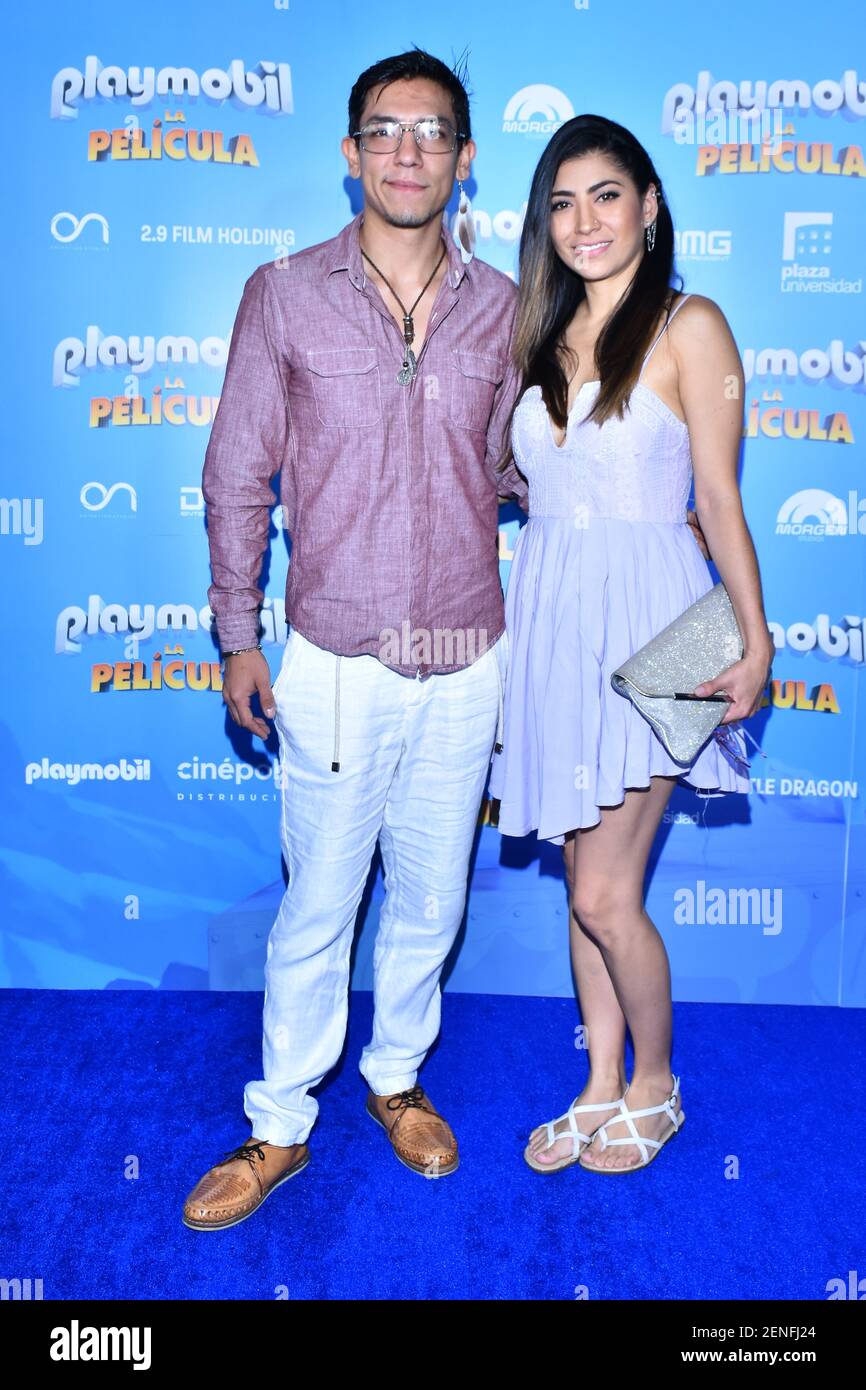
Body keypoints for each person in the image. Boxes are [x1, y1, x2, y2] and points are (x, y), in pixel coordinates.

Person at [183, 47, 540, 1229]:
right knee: (318, 904)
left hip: (465, 652)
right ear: (348, 153)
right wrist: (238, 631)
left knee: (433, 897)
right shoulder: (281, 293)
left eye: (430, 131)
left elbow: (504, 468)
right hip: (332, 655)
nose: (406, 151)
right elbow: (236, 472)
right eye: (383, 130)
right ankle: (278, 1120)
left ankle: (395, 1079)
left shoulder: (503, 309)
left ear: (463, 157)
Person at [487, 114, 774, 1173]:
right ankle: (598, 1082)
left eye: (605, 194)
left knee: (607, 894)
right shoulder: (536, 337)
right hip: (555, 623)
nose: (583, 220)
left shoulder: (689, 325)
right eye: (560, 202)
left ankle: (656, 1083)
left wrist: (753, 639)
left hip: (663, 630)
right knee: (581, 879)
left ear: (648, 206)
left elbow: (715, 495)